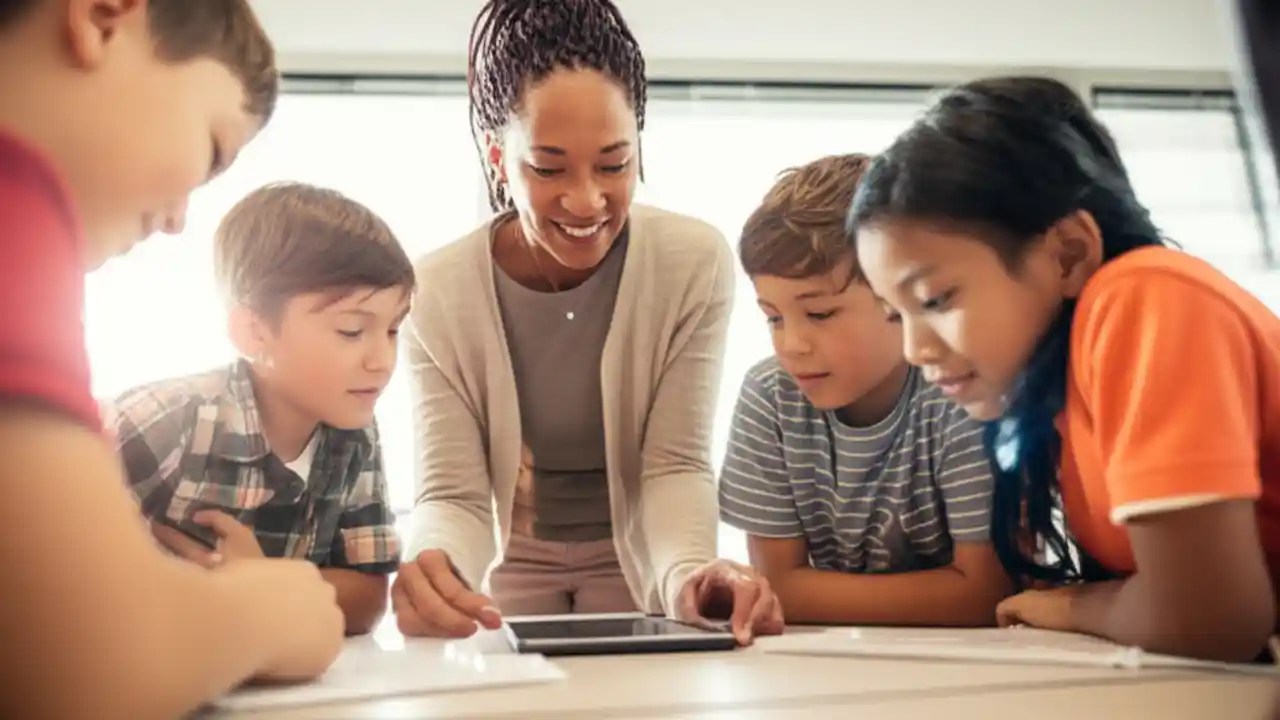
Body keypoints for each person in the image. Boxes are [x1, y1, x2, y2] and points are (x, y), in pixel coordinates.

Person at [392, 0, 783, 646]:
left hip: (637, 556)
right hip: (508, 559)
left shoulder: (693, 262)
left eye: (613, 163)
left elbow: (675, 464)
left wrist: (690, 572)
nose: (586, 200)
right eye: (548, 167)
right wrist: (437, 565)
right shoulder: (437, 289)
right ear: (497, 156)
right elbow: (454, 494)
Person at [850, 76, 1280, 661]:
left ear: (1068, 253)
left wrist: (1073, 608)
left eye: (935, 300)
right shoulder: (1058, 390)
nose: (914, 350)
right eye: (895, 316)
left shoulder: (1145, 297)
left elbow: (1209, 619)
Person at [0, 1, 344, 717]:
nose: (180, 217)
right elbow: (91, 657)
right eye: (211, 151)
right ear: (103, 16)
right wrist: (271, 612)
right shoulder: (14, 206)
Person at [106, 183, 412, 637]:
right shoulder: (158, 422)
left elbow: (367, 599)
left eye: (392, 329)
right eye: (351, 331)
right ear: (253, 332)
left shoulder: (354, 432)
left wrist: (262, 583)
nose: (382, 360)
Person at [720, 153, 1009, 626]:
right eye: (773, 317)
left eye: (820, 314)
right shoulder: (770, 397)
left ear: (898, 296)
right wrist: (946, 591)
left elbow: (989, 593)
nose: (791, 345)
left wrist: (801, 592)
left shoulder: (960, 392)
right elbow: (774, 586)